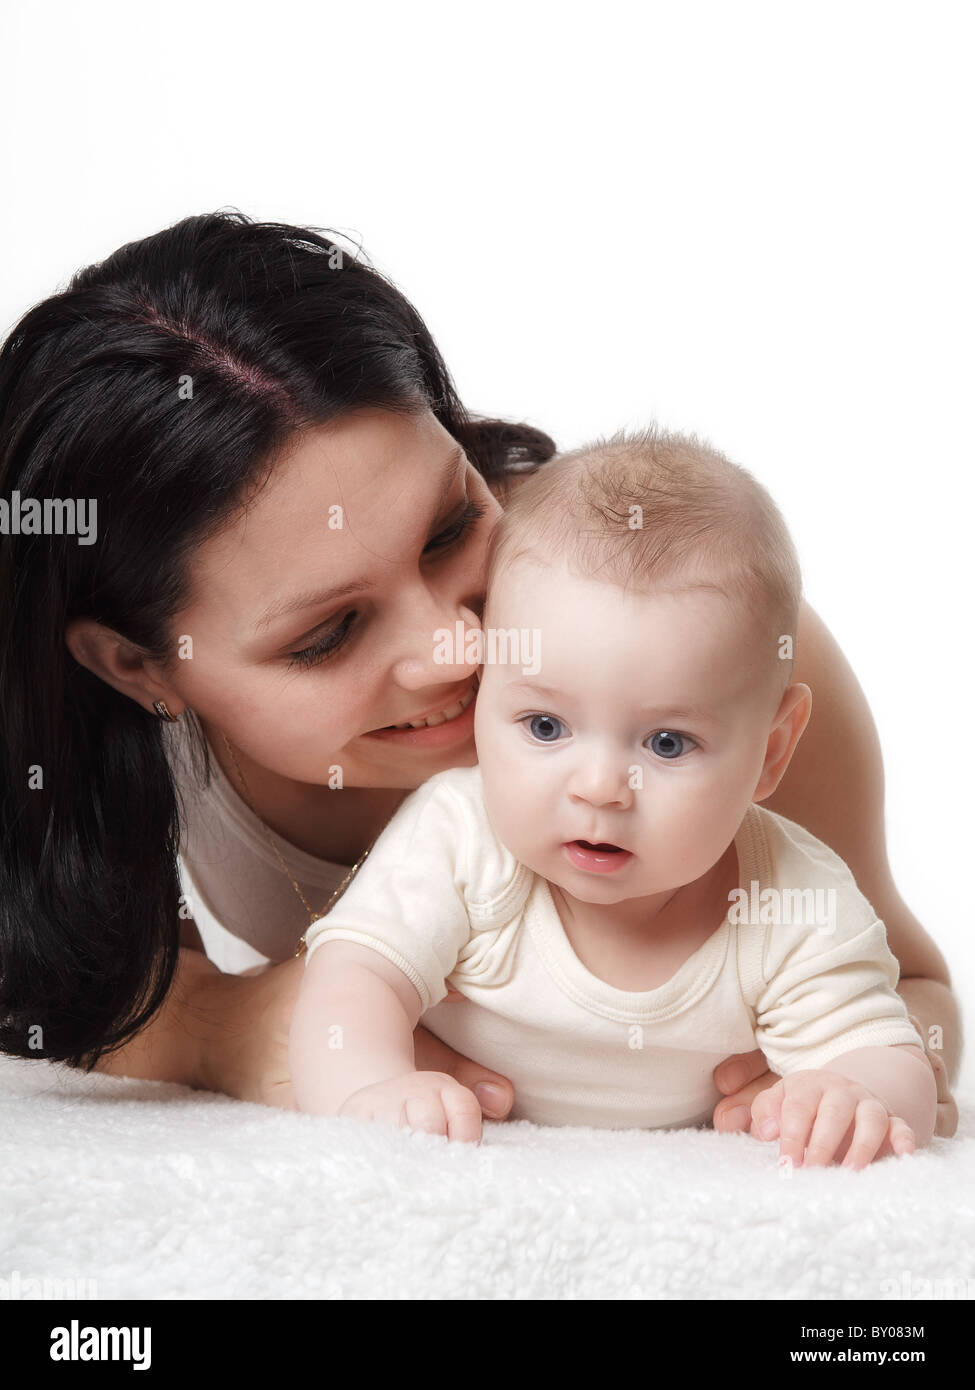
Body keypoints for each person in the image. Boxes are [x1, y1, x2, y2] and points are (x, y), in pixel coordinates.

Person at [0, 212, 959, 1138]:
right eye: (329, 632)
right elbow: (47, 978)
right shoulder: (87, 727)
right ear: (137, 668)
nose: (458, 649)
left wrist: (867, 1080)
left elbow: (917, 996)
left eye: (451, 526)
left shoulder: (711, 654)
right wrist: (225, 1028)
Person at [289, 428, 937, 1167]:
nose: (598, 788)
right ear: (483, 693)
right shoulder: (459, 838)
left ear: (770, 752)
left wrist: (855, 1092)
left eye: (666, 743)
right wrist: (369, 1087)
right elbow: (353, 979)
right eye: (544, 726)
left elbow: (888, 1055)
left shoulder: (788, 898)